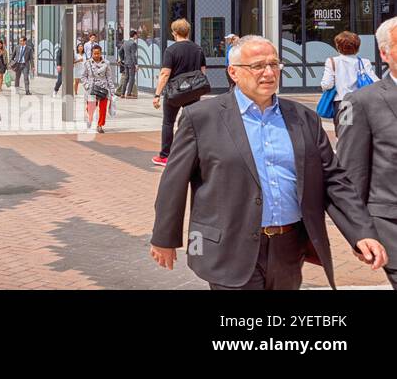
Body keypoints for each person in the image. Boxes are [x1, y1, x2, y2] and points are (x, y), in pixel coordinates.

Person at [150, 35, 387, 290]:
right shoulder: (201, 118)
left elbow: (335, 180)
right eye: (258, 66)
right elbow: (173, 181)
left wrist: (361, 232)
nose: (269, 72)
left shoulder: (304, 118)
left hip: (289, 247)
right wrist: (165, 238)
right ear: (234, 72)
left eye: (274, 65)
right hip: (230, 245)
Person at [337, 15, 397, 288]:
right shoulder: (362, 102)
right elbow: (352, 173)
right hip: (392, 224)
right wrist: (359, 233)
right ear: (384, 53)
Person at [152, 18, 207, 166]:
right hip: (193, 92)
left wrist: (157, 94)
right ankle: (194, 152)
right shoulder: (198, 49)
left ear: (174, 33)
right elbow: (202, 72)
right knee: (192, 122)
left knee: (168, 123)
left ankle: (165, 155)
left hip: (174, 92)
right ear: (188, 31)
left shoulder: (171, 50)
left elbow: (165, 73)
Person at [321, 30, 379, 137]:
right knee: (362, 134)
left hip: (344, 103)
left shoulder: (333, 61)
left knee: (345, 135)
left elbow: (327, 84)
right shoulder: (364, 62)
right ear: (357, 47)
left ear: (338, 46)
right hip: (363, 104)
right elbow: (376, 82)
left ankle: (344, 154)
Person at [82, 44, 116, 134]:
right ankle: (89, 119)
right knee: (91, 107)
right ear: (92, 53)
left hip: (103, 88)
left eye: (98, 53)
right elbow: (83, 76)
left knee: (103, 108)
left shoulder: (106, 63)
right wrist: (87, 86)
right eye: (95, 53)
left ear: (101, 53)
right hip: (92, 88)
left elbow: (109, 77)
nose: (96, 55)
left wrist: (112, 90)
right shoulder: (87, 63)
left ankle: (100, 125)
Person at [116, 29, 139, 98]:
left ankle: (122, 94)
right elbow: (133, 55)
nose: (137, 36)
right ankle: (128, 94)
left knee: (126, 78)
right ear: (134, 35)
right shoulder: (133, 43)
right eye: (136, 35)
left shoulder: (125, 42)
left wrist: (122, 59)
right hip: (131, 63)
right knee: (131, 78)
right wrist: (136, 64)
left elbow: (120, 51)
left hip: (125, 62)